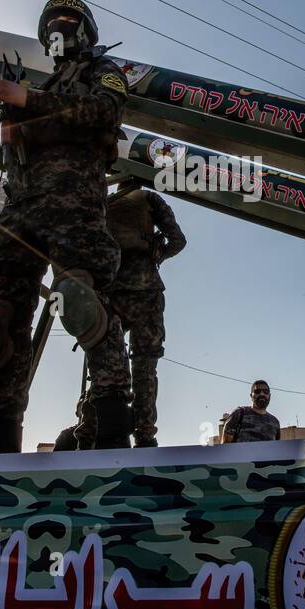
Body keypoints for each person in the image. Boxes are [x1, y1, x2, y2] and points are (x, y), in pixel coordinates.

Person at [0, 0, 134, 452]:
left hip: (75, 205)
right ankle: (2, 444)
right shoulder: (45, 86)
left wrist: (27, 98)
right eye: (52, 25)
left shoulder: (103, 72)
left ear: (85, 31)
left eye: (67, 22)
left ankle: (110, 433)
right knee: (0, 321)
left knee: (79, 302)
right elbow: (10, 158)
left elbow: (103, 112)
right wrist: (11, 128)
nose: (58, 31)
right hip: (22, 206)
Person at [104, 186, 186, 447]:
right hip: (146, 290)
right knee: (145, 367)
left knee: (106, 368)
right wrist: (158, 252)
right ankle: (144, 435)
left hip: (110, 291)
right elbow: (178, 240)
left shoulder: (103, 201)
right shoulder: (148, 198)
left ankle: (106, 431)